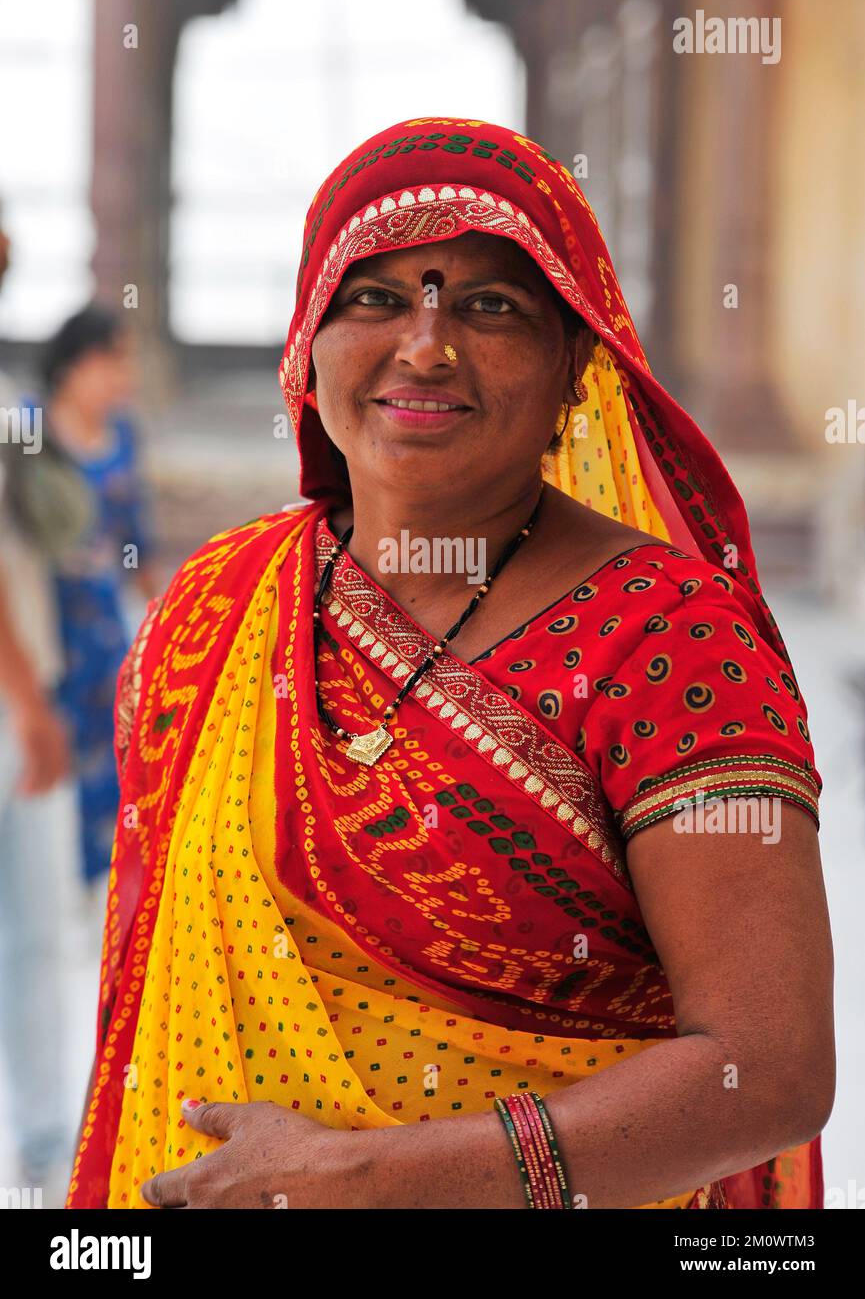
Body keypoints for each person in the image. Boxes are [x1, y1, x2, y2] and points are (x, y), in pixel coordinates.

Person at [67, 117, 834, 1210]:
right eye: (374, 298)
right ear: (306, 342)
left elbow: (764, 1070)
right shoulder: (216, 605)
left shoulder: (666, 639)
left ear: (577, 361)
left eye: (489, 305)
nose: (424, 346)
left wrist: (367, 1177)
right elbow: (146, 1002)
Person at [0, 212, 77, 1204]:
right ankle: (49, 1145)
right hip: (9, 698)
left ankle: (47, 1143)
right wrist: (30, 701)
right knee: (33, 931)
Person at [40, 305, 159, 888]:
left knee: (114, 756)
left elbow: (138, 537)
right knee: (46, 758)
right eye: (113, 360)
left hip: (104, 630)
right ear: (76, 364)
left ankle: (96, 891)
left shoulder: (125, 434)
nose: (123, 376)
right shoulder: (31, 430)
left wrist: (164, 622)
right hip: (43, 627)